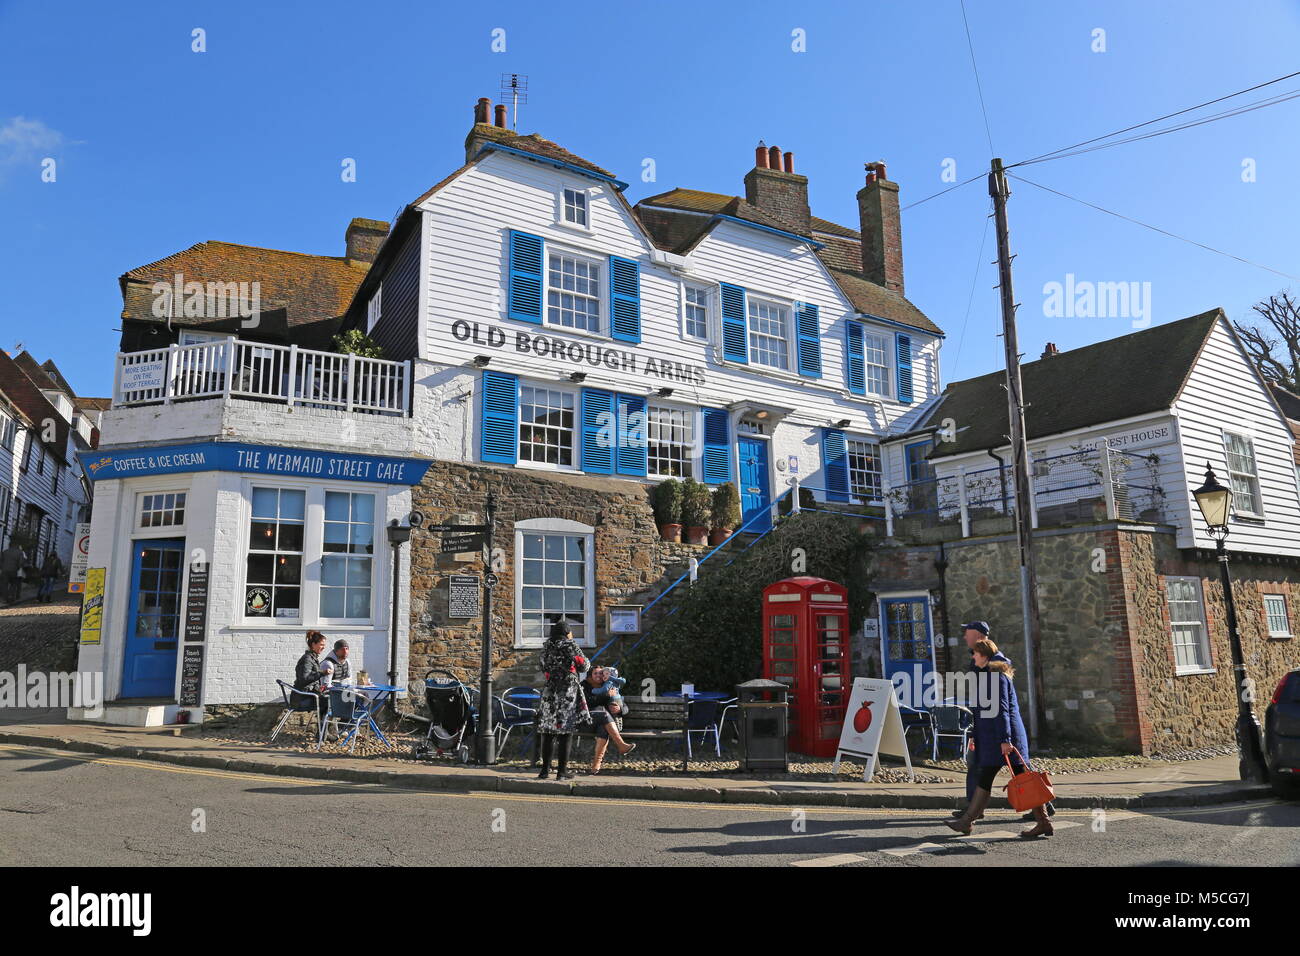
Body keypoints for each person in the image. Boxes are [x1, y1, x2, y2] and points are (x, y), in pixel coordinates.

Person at [945, 638, 1053, 839]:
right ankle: (1043, 822)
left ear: (984, 656)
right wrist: (975, 737)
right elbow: (982, 713)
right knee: (997, 777)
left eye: (975, 653)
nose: (972, 656)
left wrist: (1005, 739)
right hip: (994, 737)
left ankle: (967, 821)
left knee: (1022, 779)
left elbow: (1001, 710)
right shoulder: (988, 675)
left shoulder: (995, 677)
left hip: (1003, 738)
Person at [535, 619, 591, 780]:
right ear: (567, 632)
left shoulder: (546, 648)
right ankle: (561, 772)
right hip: (567, 691)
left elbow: (543, 667)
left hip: (550, 691)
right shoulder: (570, 645)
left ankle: (544, 771)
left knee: (548, 731)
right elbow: (584, 666)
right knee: (565, 732)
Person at [582, 665, 637, 773]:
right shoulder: (585, 686)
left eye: (601, 673)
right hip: (586, 721)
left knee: (603, 728)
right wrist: (606, 695)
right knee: (604, 715)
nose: (599, 675)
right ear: (590, 675)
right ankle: (621, 745)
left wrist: (619, 710)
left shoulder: (608, 685)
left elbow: (625, 707)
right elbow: (588, 702)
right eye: (595, 673)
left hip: (602, 723)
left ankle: (596, 765)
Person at [292, 630, 330, 722]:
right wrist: (322, 673)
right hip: (301, 700)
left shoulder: (312, 658)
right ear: (313, 645)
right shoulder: (307, 659)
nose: (323, 647)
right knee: (329, 702)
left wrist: (319, 687)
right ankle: (323, 733)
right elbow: (304, 679)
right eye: (321, 645)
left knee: (328, 698)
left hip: (306, 696)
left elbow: (310, 680)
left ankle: (323, 732)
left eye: (324, 645)